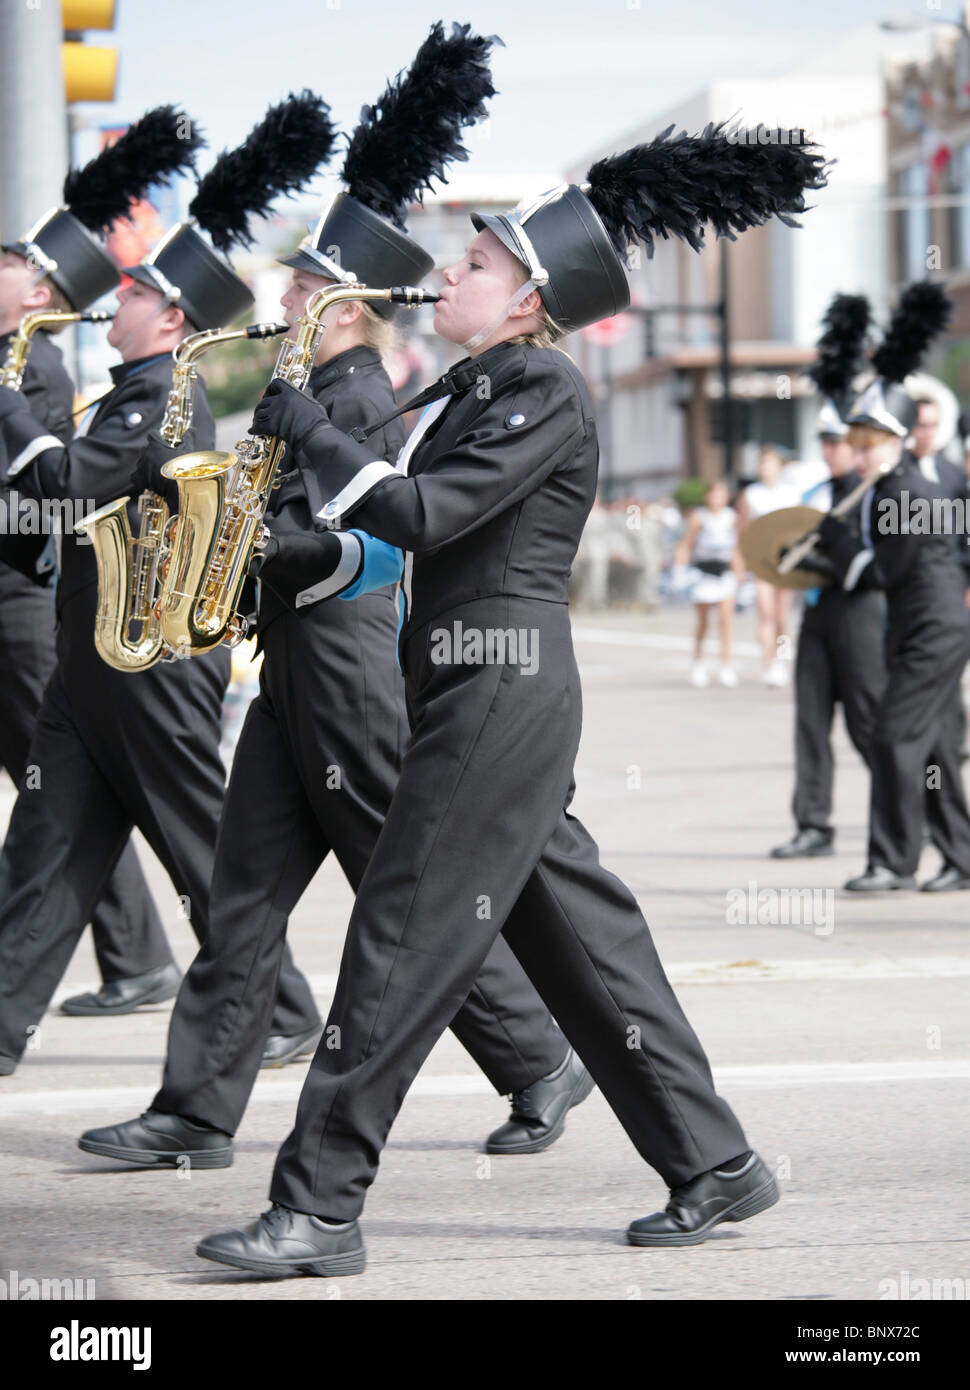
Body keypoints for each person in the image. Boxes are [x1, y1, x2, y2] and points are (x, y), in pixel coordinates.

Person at [191, 119, 828, 1275]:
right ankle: (714, 1161)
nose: (447, 273)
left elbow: (421, 518)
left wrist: (317, 441)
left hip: (501, 687)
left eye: (476, 264)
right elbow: (383, 504)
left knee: (397, 934)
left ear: (531, 299)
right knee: (586, 940)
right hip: (468, 686)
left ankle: (320, 1206)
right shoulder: (477, 382)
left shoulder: (543, 388)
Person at [77, 24, 589, 1167]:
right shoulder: (303, 391)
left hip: (353, 669)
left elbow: (387, 532)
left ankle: (537, 1053)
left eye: (307, 280)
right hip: (290, 674)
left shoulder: (365, 404)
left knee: (402, 902)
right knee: (242, 896)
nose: (288, 291)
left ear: (348, 306)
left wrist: (269, 553)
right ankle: (196, 1110)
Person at [0, 96, 338, 1076]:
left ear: (173, 317)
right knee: (47, 847)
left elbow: (61, 487)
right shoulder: (133, 395)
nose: (122, 300)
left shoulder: (157, 406)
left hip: (150, 660)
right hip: (93, 655)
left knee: (201, 847)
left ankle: (281, 1009)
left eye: (139, 292)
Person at [0, 119, 194, 1020]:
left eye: (5, 262)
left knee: (110, 806)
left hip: (42, 605)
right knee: (51, 810)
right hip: (61, 614)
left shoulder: (36, 369)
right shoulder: (73, 377)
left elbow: (55, 490)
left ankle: (218, 987)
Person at [807, 283, 970, 893]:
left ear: (896, 441)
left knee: (896, 737)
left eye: (870, 441)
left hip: (933, 627)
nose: (859, 450)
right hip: (925, 627)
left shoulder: (902, 491)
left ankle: (892, 861)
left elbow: (883, 573)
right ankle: (960, 857)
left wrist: (838, 544)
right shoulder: (891, 487)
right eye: (857, 441)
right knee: (927, 742)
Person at [772, 294, 888, 860]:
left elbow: (878, 565)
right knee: (810, 721)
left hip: (861, 614)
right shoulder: (816, 493)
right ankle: (813, 824)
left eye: (837, 440)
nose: (829, 449)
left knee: (869, 722)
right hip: (816, 611)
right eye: (823, 440)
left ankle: (899, 813)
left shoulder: (874, 494)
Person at [739, 446, 800, 685]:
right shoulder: (752, 494)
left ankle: (781, 658)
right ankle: (769, 663)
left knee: (781, 616)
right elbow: (743, 530)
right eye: (762, 463)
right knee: (766, 614)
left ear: (779, 467)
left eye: (770, 463)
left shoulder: (791, 493)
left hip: (785, 561)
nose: (765, 468)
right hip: (762, 560)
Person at [674, 478, 743, 687]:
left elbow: (737, 548)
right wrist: (679, 570)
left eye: (721, 494)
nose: (717, 498)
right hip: (703, 573)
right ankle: (698, 662)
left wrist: (740, 573)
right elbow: (686, 545)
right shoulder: (699, 517)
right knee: (703, 622)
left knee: (725, 620)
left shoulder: (732, 518)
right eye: (714, 493)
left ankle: (726, 666)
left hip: (724, 573)